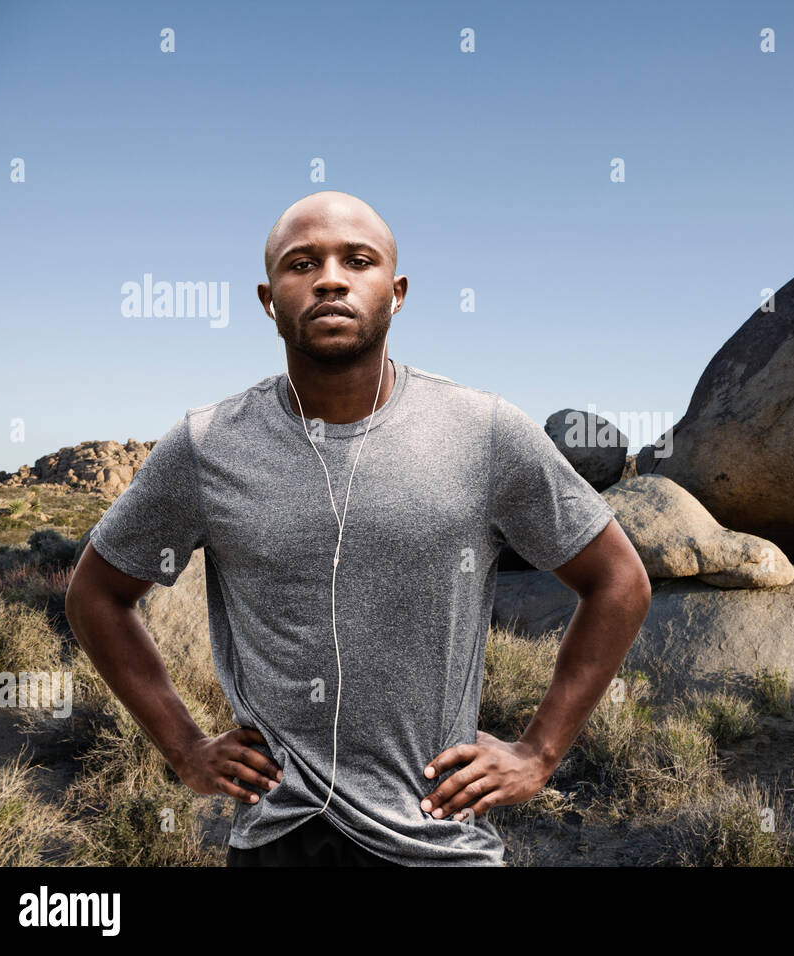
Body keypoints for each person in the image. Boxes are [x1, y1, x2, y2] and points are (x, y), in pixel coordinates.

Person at [64, 190, 652, 866]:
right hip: (281, 839)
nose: (331, 277)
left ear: (396, 292)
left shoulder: (483, 433)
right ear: (268, 299)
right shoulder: (205, 447)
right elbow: (96, 595)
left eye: (359, 260)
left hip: (441, 838)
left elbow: (618, 581)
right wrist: (185, 748)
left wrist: (539, 752)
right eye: (302, 263)